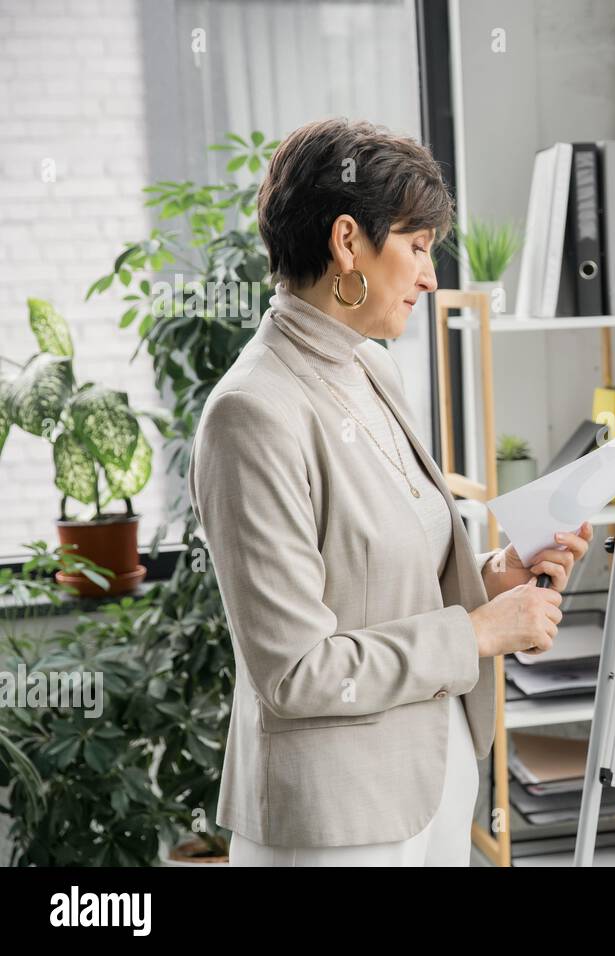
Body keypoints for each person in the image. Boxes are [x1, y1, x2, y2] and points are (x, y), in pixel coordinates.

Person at [187, 117, 593, 866]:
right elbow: (296, 672)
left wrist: (492, 578)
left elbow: (384, 576)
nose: (432, 275)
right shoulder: (252, 413)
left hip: (432, 784)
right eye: (417, 247)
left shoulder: (370, 367)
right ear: (349, 243)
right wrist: (481, 633)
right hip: (334, 822)